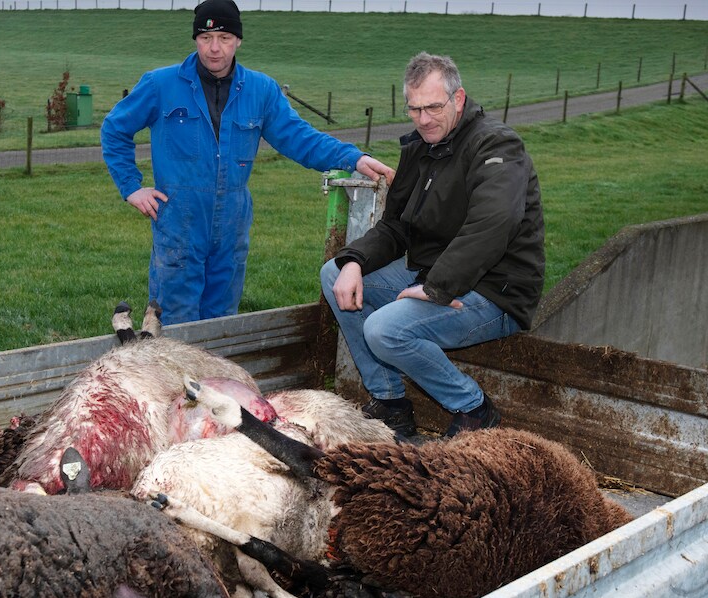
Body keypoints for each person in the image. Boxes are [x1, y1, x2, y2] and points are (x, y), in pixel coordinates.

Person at [101, 0, 394, 325]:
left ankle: (213, 375)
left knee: (222, 319)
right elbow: (115, 128)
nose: (214, 48)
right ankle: (173, 375)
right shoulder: (161, 85)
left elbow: (300, 138)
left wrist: (354, 157)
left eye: (224, 38)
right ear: (195, 39)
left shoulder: (260, 90)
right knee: (174, 318)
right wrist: (132, 188)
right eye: (205, 38)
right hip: (179, 221)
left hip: (231, 221)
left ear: (238, 40)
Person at [321, 52, 545, 439]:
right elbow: (396, 227)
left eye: (433, 107)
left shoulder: (497, 146)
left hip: (495, 290)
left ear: (458, 99)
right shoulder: (419, 149)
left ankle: (473, 408)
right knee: (335, 273)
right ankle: (390, 403)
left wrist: (438, 286)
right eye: (414, 109)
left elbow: (494, 222)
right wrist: (355, 260)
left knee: (384, 330)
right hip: (436, 274)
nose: (423, 119)